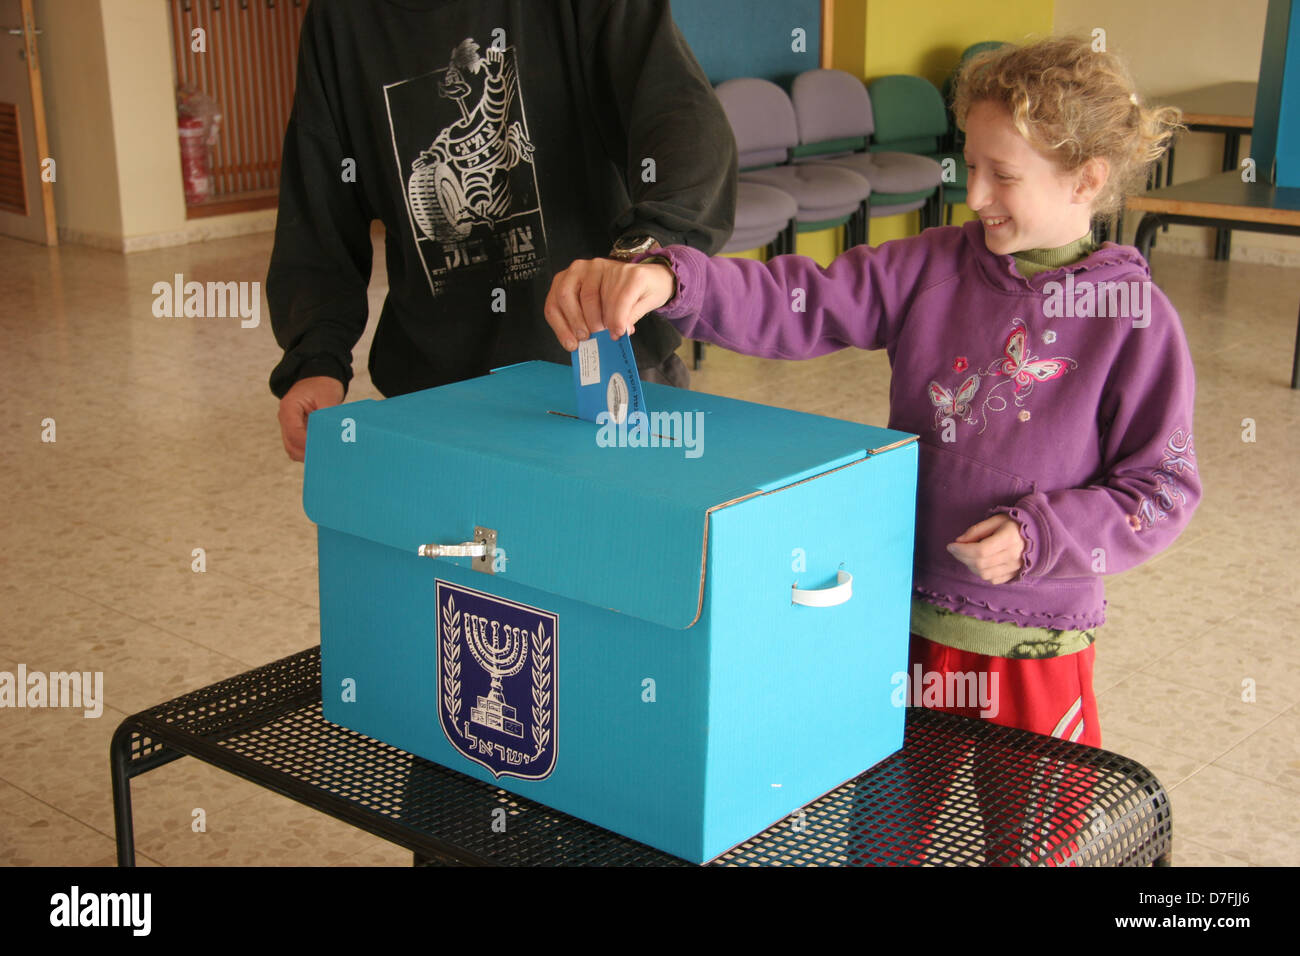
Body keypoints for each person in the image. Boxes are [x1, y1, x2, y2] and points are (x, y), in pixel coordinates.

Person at [543, 36, 1199, 753]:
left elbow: (1160, 490)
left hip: (1034, 650)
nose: (974, 196)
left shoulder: (1134, 320)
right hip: (896, 617)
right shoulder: (932, 266)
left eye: (1002, 175)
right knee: (886, 821)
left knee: (1037, 842)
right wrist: (676, 279)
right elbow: (800, 298)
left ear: (1086, 179)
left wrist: (1043, 536)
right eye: (970, 167)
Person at [269, 0, 737, 461]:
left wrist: (652, 245)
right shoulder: (339, 19)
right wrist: (316, 360)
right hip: (436, 395)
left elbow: (682, 117)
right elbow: (318, 206)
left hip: (608, 368)